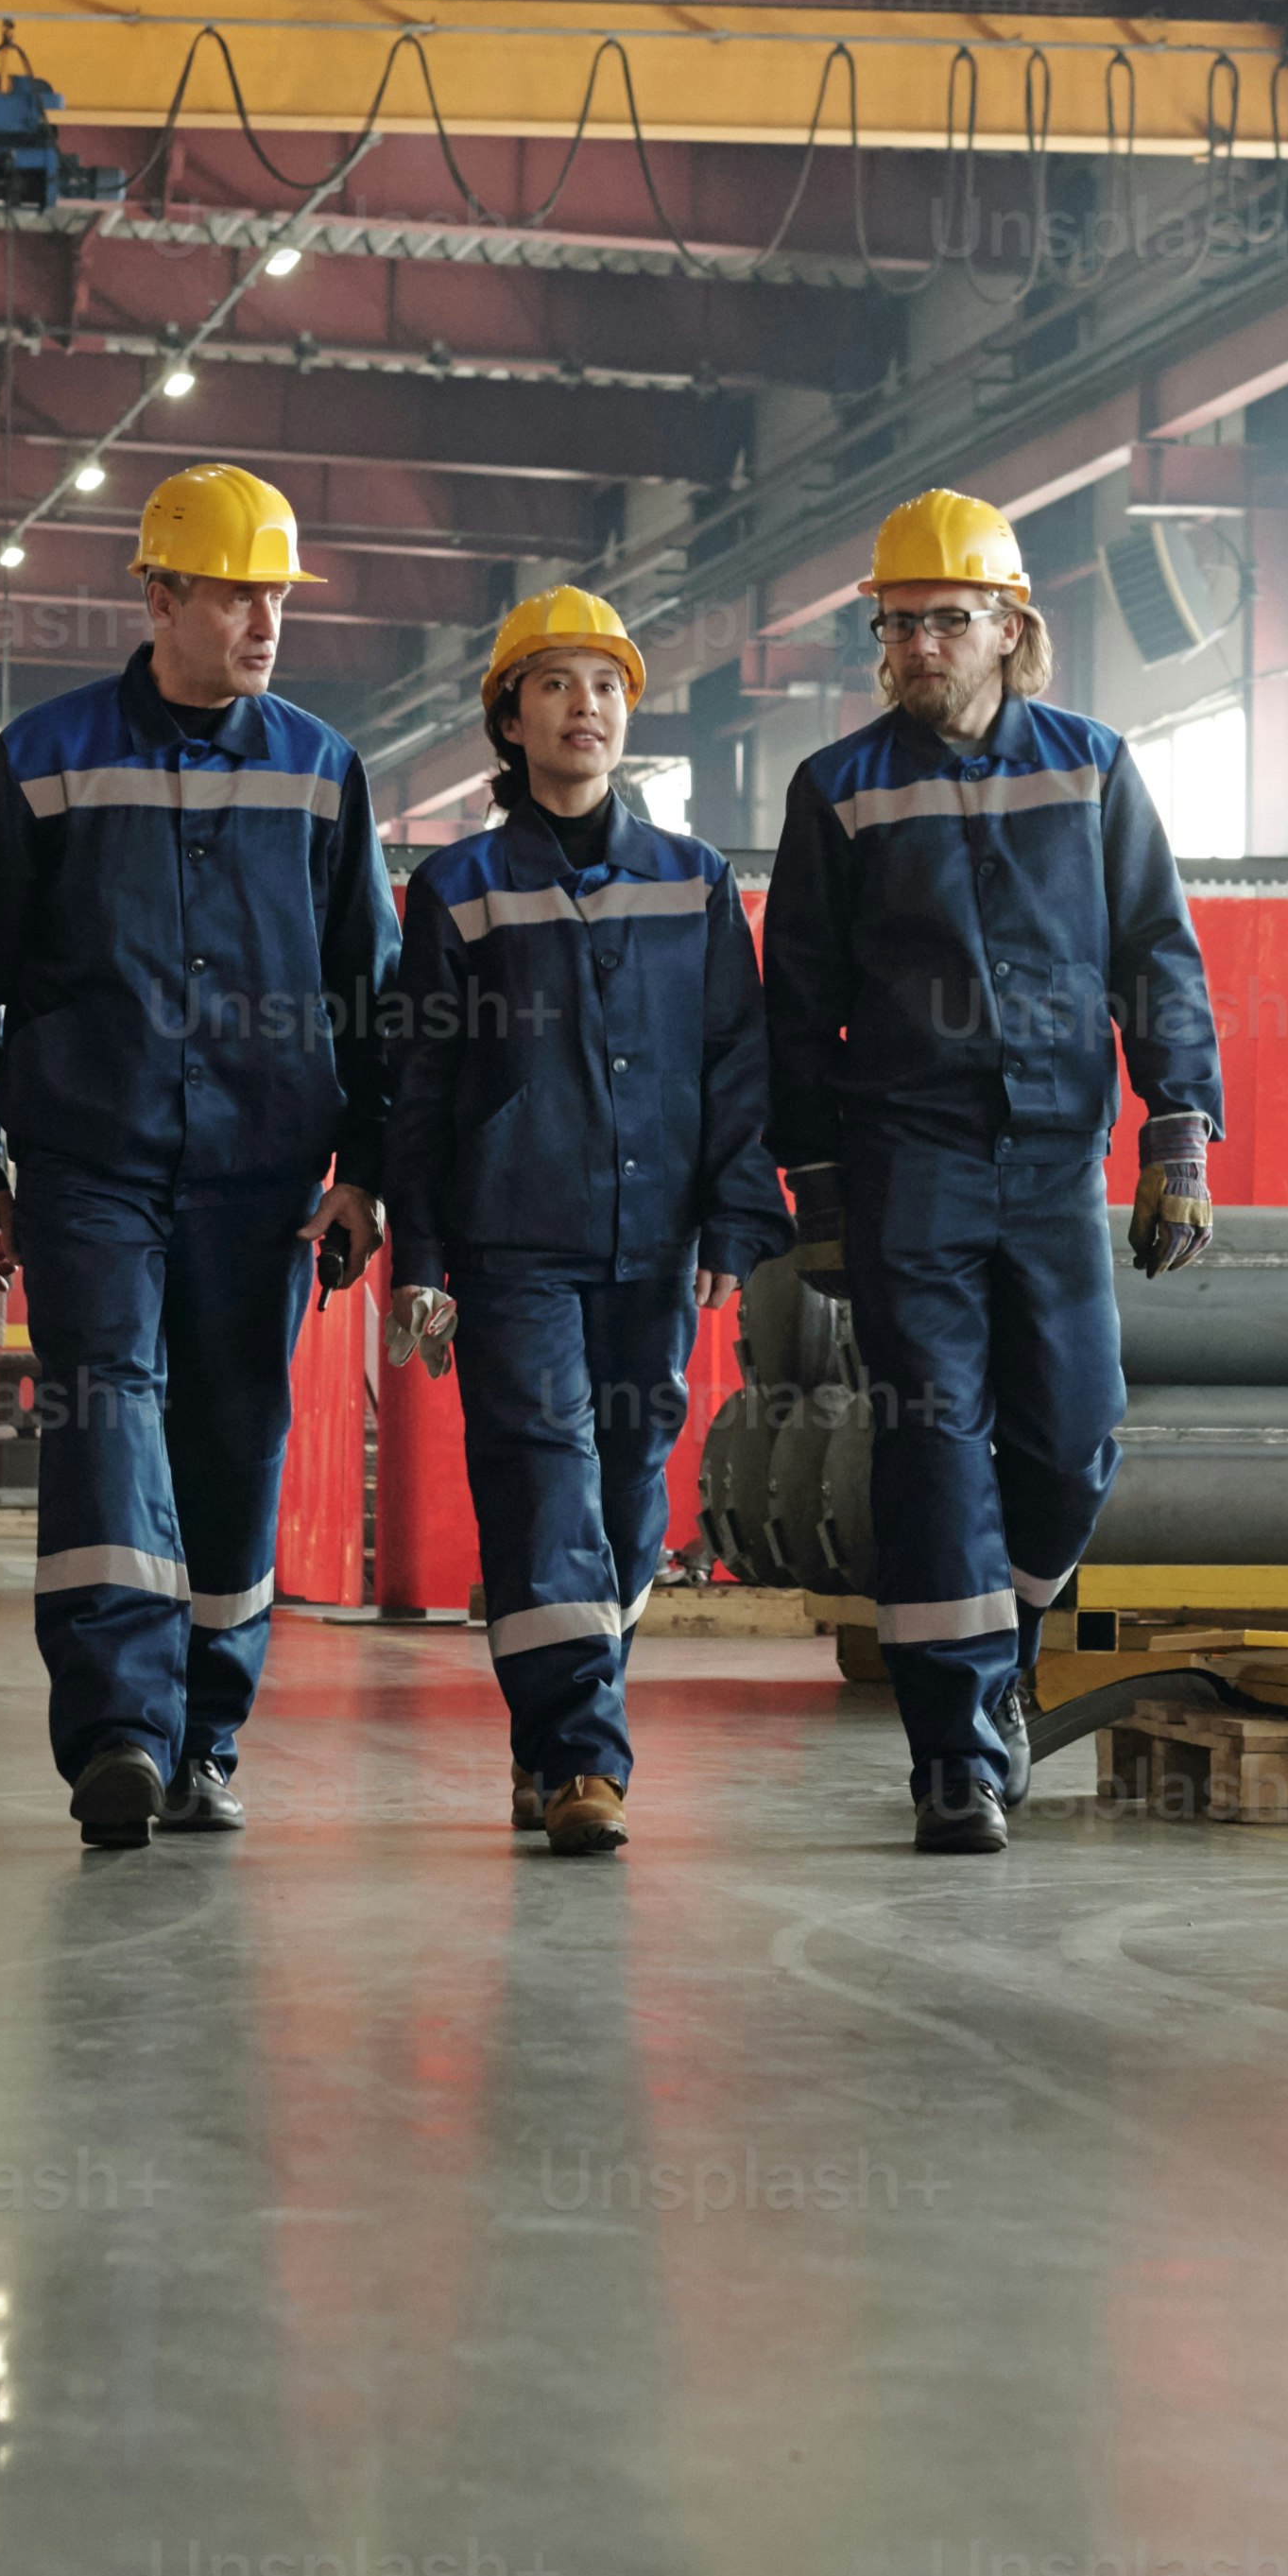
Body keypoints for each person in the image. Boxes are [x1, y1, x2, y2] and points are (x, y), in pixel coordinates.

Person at [0, 467, 389, 1854]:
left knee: (237, 1444)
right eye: (239, 592)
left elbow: (377, 993)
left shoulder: (319, 770)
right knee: (108, 1416)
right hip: (92, 1171)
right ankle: (121, 1728)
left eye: (279, 596)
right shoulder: (45, 762)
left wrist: (371, 1167)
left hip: (266, 1179)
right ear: (161, 595)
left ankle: (207, 1739)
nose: (266, 620)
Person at [761, 490, 1221, 1856]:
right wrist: (824, 1196)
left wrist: (1178, 1132)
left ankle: (1004, 1647)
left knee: (1075, 1440)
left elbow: (1160, 957)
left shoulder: (1091, 767)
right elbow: (799, 1008)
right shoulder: (838, 792)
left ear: (1010, 628)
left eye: (944, 621)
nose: (916, 647)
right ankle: (954, 1755)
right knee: (934, 1449)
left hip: (1055, 1166)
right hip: (913, 1169)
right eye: (897, 625)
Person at [383, 588, 782, 1861]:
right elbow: (424, 1089)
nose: (586, 707)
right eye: (555, 684)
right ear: (509, 717)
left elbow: (736, 1060)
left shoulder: (694, 880)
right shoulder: (457, 886)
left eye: (605, 684)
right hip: (515, 1248)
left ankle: (548, 1727)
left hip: (654, 1241)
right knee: (542, 1478)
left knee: (626, 1501)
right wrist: (427, 1260)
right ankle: (581, 1763)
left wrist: (733, 1218)